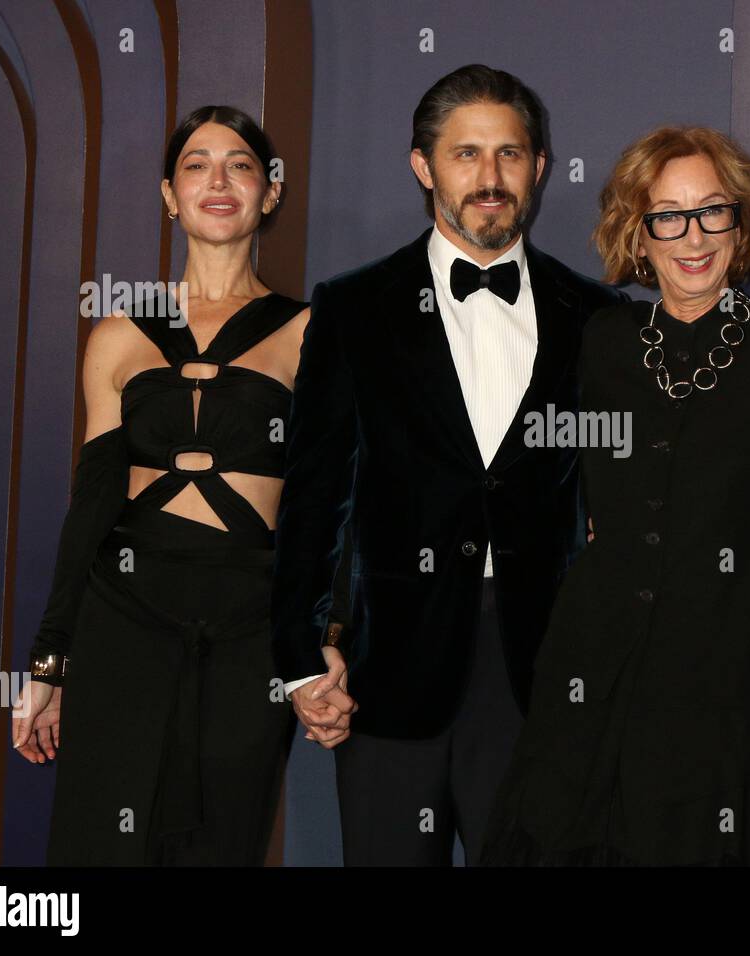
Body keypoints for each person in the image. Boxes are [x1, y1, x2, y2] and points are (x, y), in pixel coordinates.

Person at [270, 64, 626, 866]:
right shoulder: (354, 307)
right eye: (466, 154)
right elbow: (314, 494)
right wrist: (300, 654)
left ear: (539, 167)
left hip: (544, 674)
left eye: (509, 154)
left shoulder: (599, 319)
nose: (489, 177)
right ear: (424, 167)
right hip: (387, 669)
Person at [479, 126, 750, 866]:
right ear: (637, 234)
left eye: (712, 211)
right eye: (666, 215)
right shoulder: (599, 341)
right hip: (598, 663)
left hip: (730, 672)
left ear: (743, 221)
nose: (691, 236)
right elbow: (528, 470)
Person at [12, 105, 310, 865]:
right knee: (98, 844)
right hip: (125, 616)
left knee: (221, 843)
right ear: (169, 196)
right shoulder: (119, 331)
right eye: (196, 165)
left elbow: (328, 509)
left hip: (249, 629)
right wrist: (50, 662)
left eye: (241, 163)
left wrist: (324, 638)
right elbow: (92, 502)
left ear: (269, 192)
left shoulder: (312, 334)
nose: (219, 180)